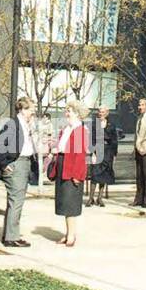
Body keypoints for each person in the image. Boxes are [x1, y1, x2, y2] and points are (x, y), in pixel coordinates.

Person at [0, 95, 38, 247]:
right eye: (31, 110)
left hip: (24, 164)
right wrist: (4, 164)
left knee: (16, 201)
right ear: (23, 110)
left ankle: (11, 234)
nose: (33, 113)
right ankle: (11, 237)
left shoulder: (24, 124)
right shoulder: (13, 124)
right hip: (16, 165)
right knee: (16, 201)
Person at [49, 100, 90, 246]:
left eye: (69, 111)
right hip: (62, 166)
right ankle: (68, 234)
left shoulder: (80, 130)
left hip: (71, 169)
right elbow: (62, 147)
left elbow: (80, 155)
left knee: (70, 204)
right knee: (64, 203)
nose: (66, 113)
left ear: (77, 114)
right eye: (66, 110)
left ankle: (71, 235)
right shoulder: (67, 129)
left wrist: (77, 175)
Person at [86, 105, 119, 206]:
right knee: (95, 174)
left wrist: (114, 154)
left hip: (108, 152)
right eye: (100, 112)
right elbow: (91, 139)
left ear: (107, 113)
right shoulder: (94, 124)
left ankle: (100, 198)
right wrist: (91, 154)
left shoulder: (111, 125)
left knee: (104, 175)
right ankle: (90, 198)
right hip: (97, 151)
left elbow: (114, 140)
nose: (101, 114)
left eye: (103, 112)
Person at [133, 96, 146, 210]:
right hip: (138, 148)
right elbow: (137, 134)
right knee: (139, 175)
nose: (139, 107)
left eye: (142, 105)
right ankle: (139, 198)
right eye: (139, 104)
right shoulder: (140, 117)